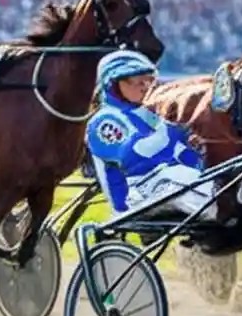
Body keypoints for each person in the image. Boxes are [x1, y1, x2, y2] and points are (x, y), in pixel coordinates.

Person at [85, 50, 218, 219]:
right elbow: (133, 156)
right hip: (133, 195)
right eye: (137, 81)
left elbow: (175, 148)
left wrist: (202, 161)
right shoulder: (104, 121)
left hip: (159, 181)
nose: (145, 86)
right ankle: (220, 210)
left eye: (147, 80)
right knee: (178, 175)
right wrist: (168, 132)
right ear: (114, 83)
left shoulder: (145, 114)